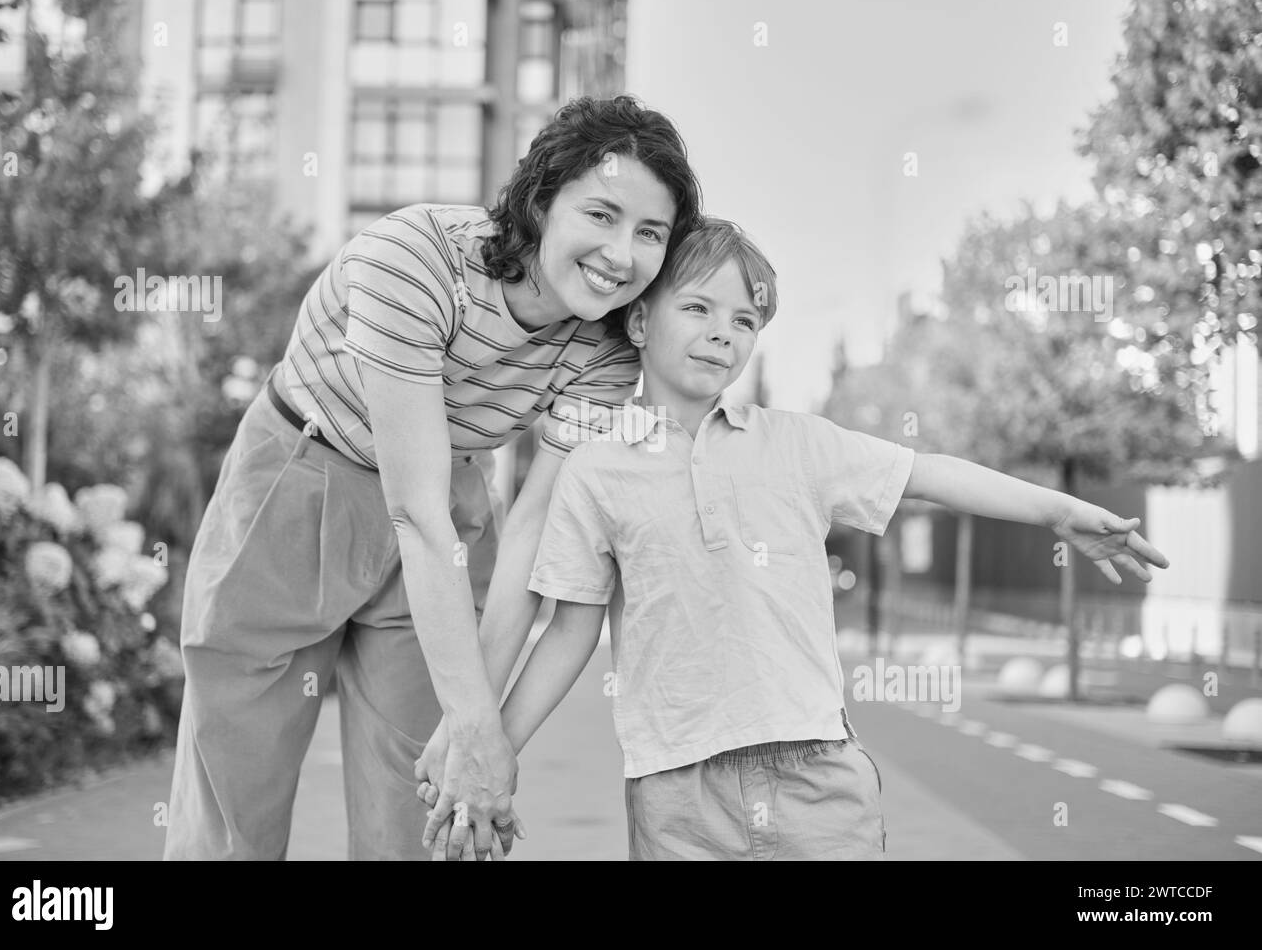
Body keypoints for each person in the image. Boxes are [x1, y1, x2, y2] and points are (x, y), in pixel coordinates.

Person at [418, 217, 1170, 859]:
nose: (723, 334)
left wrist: (1058, 512)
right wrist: (491, 759)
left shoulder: (800, 446)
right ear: (640, 322)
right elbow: (568, 632)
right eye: (699, 309)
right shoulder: (594, 472)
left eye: (744, 321)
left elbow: (929, 474)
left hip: (818, 776)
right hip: (675, 790)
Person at [163, 95, 703, 861]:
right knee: (232, 813)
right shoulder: (413, 260)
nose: (622, 254)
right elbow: (410, 509)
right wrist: (479, 726)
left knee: (420, 811)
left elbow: (528, 529)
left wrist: (471, 725)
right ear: (543, 200)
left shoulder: (610, 353)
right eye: (603, 215)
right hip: (298, 487)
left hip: (447, 512)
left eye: (650, 233)